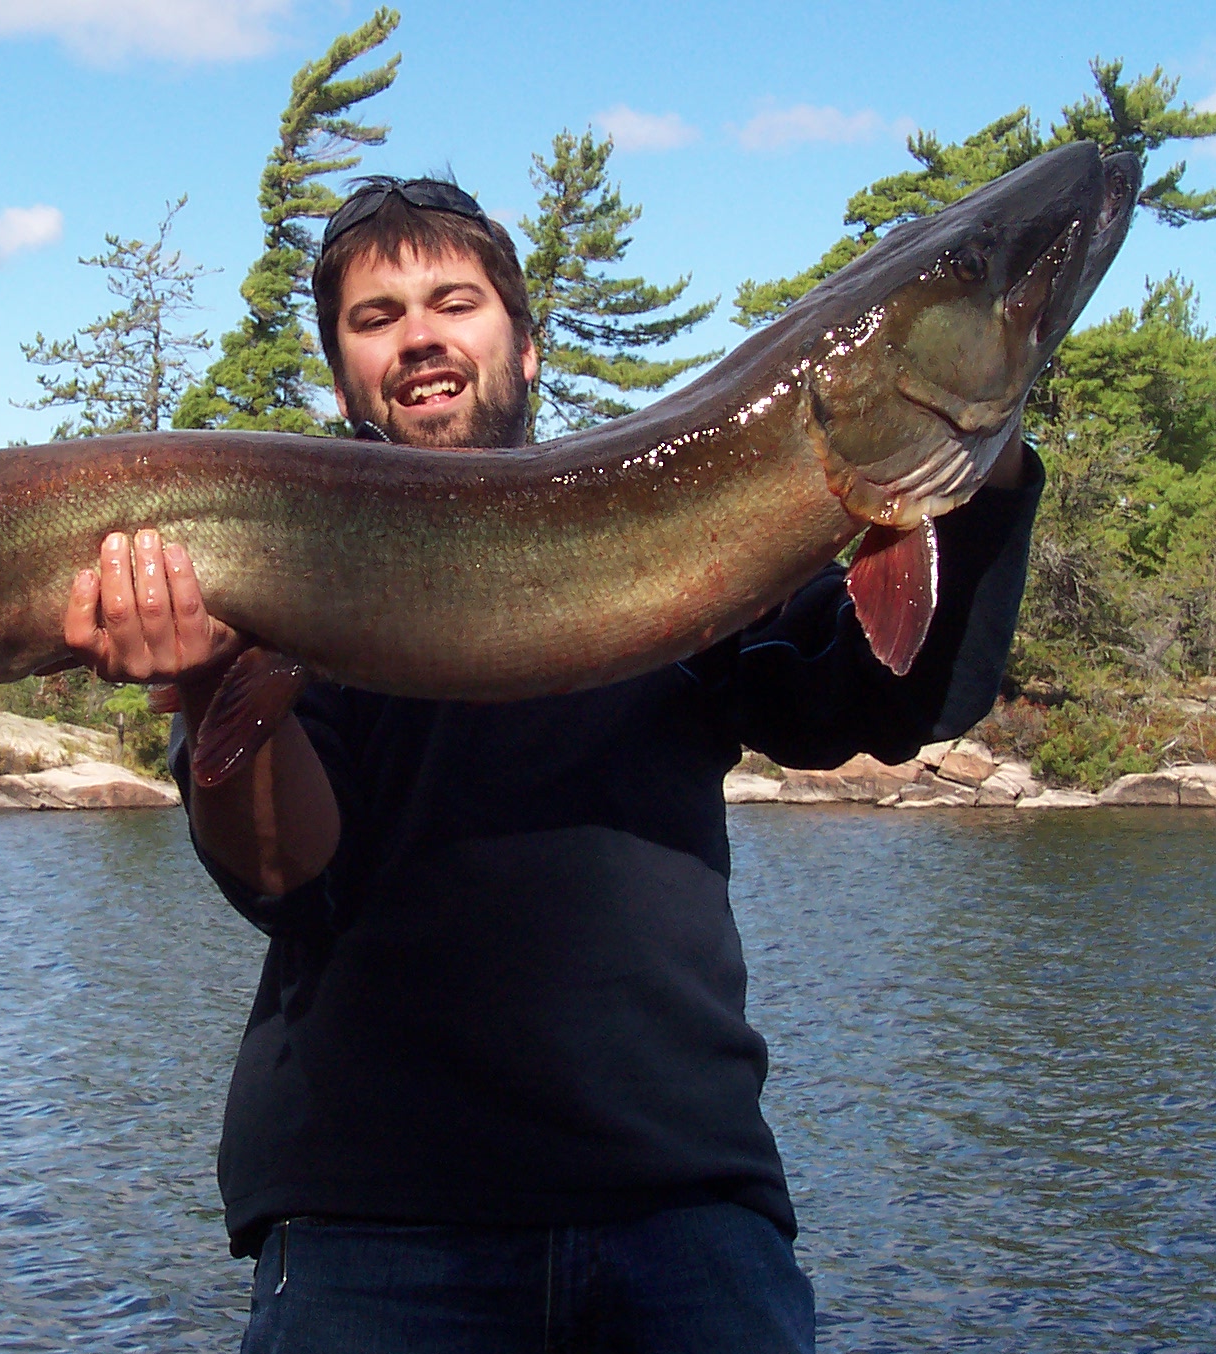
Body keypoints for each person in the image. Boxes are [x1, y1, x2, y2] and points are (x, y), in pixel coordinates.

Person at [61, 177, 1042, 1353]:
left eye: (453, 300)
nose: (418, 334)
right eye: (375, 319)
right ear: (343, 381)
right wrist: (220, 688)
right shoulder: (277, 560)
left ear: (524, 347)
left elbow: (875, 698)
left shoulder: (696, 522)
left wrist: (973, 482)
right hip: (370, 1222)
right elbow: (288, 878)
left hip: (680, 1208)